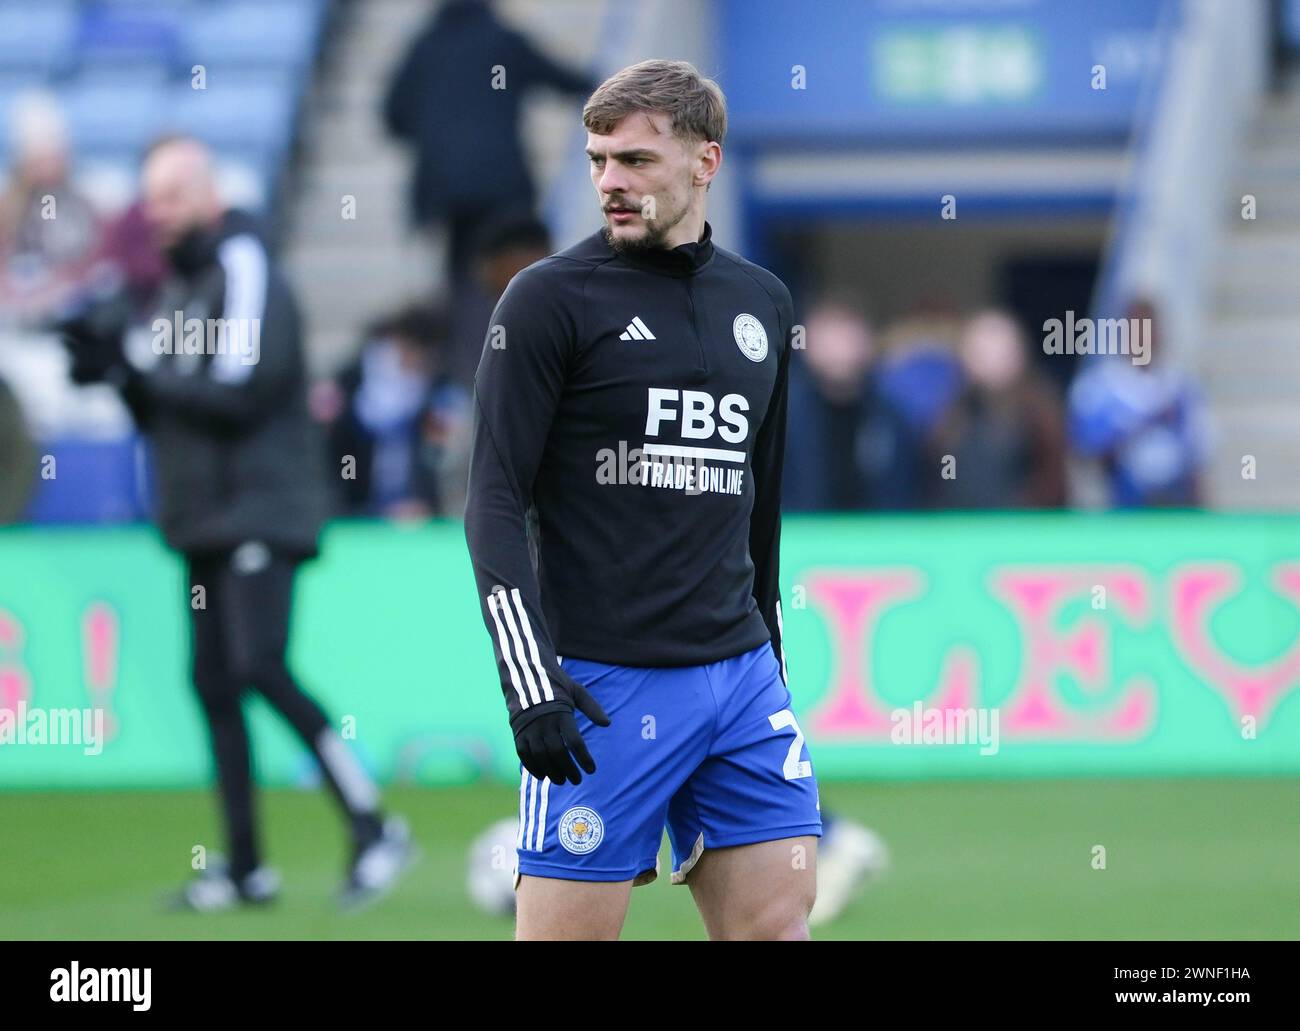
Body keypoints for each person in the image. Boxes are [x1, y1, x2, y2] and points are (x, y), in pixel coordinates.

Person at [464, 60, 821, 941]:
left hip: (738, 680)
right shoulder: (547, 301)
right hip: (602, 687)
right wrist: (529, 680)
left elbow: (757, 500)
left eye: (635, 161)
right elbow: (494, 501)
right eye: (597, 161)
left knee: (777, 926)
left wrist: (771, 654)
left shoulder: (763, 304)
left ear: (706, 161)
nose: (611, 183)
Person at [62, 136, 413, 910]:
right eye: (151, 199)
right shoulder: (176, 291)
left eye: (173, 196)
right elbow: (166, 409)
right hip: (203, 516)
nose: (159, 214)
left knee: (260, 664)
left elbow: (243, 388)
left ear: (209, 195)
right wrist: (114, 372)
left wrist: (136, 366)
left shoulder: (243, 266)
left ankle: (373, 822)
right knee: (214, 681)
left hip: (262, 501)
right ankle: (247, 867)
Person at [382, 0, 596, 287]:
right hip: (503, 182)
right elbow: (566, 80)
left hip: (446, 188)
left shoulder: (424, 47)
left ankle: (470, 324)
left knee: (463, 274)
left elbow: (393, 116)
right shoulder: (503, 40)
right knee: (519, 270)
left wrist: (435, 138)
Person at [319, 304, 468, 519]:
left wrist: (423, 501)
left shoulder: (438, 391)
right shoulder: (349, 382)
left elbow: (439, 457)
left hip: (416, 515)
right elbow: (334, 452)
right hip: (355, 512)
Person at [784, 294, 920, 511]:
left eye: (848, 337)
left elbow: (904, 491)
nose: (839, 350)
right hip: (800, 537)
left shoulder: (892, 417)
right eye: (829, 338)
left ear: (867, 342)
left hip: (878, 538)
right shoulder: (782, 416)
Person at [1069, 297, 1209, 507]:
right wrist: (1143, 424)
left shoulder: (1181, 387)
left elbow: (1198, 455)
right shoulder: (1098, 389)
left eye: (1149, 329)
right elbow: (1086, 452)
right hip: (1121, 504)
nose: (1143, 338)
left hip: (1174, 502)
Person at [927, 310, 1066, 508]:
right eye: (981, 351)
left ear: (1018, 354)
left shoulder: (1041, 414)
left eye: (998, 350)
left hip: (1024, 530)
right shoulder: (951, 416)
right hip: (961, 527)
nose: (990, 361)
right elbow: (942, 476)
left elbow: (1053, 482)